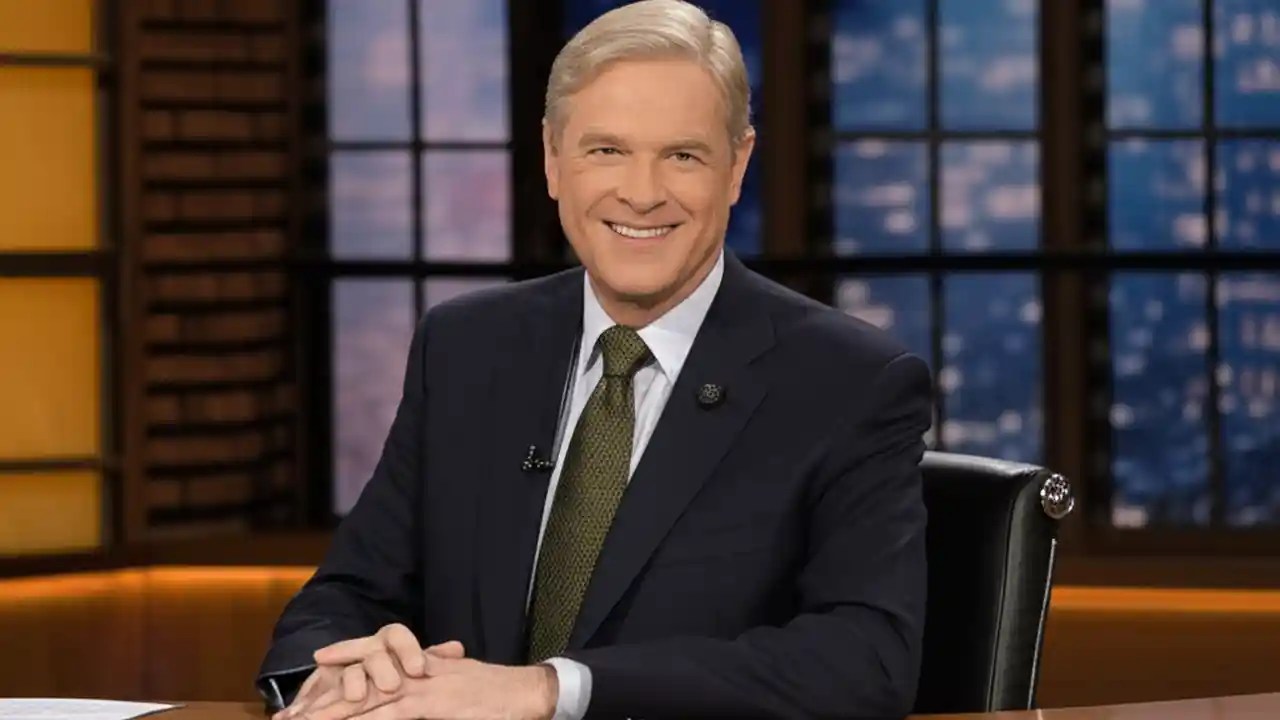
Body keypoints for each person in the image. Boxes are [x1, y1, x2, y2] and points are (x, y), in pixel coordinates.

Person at [258, 1, 933, 718]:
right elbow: (343, 598)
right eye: (606, 150)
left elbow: (865, 660)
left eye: (683, 155)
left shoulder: (848, 383)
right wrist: (334, 675)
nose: (641, 193)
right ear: (553, 160)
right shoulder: (467, 348)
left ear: (737, 166)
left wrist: (551, 690)